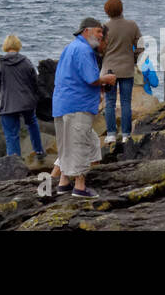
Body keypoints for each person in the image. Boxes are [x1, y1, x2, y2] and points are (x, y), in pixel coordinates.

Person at [50, 18, 117, 198]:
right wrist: (106, 80)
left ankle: (63, 182)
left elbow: (76, 77)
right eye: (98, 32)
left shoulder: (70, 48)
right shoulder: (84, 50)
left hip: (62, 104)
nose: (101, 35)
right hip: (77, 106)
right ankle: (80, 186)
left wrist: (98, 85)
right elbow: (91, 79)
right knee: (80, 144)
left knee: (75, 144)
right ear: (86, 31)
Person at [0, 34, 44, 158]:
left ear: (5, 46)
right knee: (32, 123)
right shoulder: (26, 61)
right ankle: (39, 151)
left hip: (7, 103)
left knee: (11, 135)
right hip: (26, 102)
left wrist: (1, 96)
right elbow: (35, 81)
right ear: (18, 46)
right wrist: (33, 96)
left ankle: (15, 161)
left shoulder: (0, 63)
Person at [100, 0, 142, 145]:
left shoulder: (104, 27)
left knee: (110, 102)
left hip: (109, 70)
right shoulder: (132, 25)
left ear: (107, 11)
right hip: (127, 68)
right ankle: (125, 134)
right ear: (122, 9)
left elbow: (100, 48)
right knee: (125, 102)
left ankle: (111, 134)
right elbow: (141, 45)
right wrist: (134, 57)